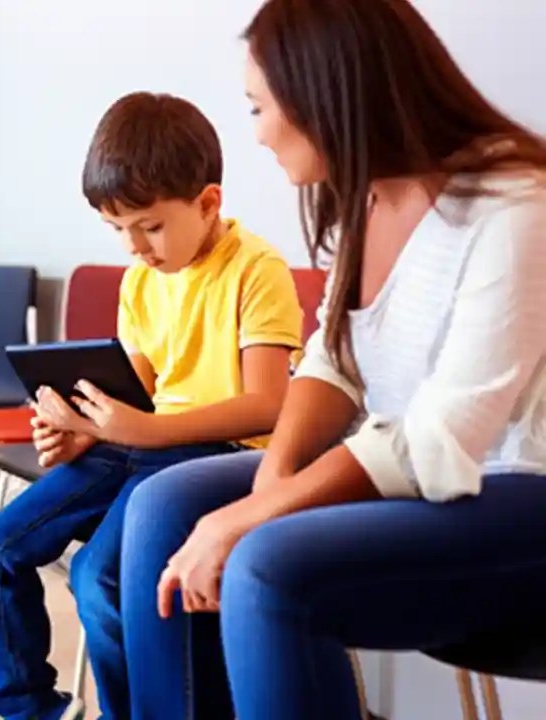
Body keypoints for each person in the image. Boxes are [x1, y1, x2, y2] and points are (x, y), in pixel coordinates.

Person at [116, 1, 546, 718]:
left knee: (266, 568)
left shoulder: (515, 203)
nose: (254, 133)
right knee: (161, 505)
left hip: (515, 487)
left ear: (324, 88)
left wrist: (256, 515)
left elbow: (440, 441)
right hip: (416, 476)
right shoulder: (366, 199)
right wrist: (273, 479)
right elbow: (333, 362)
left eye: (258, 107)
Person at [0, 92, 305, 720]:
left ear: (208, 203)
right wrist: (83, 432)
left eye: (149, 226)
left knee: (98, 578)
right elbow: (137, 389)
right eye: (118, 230)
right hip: (139, 446)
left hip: (214, 454)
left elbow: (266, 406)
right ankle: (35, 712)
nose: (135, 247)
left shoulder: (257, 269)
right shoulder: (141, 280)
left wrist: (143, 429)